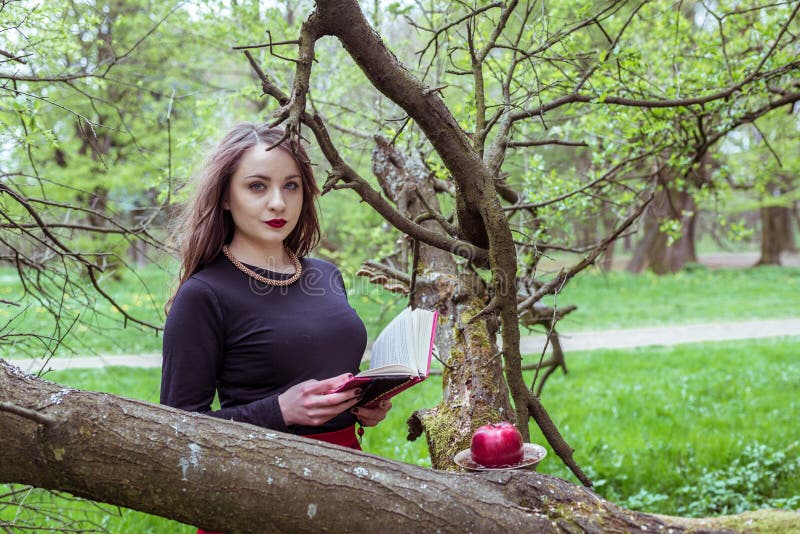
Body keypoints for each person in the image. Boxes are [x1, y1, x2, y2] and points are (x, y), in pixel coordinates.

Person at [161, 123, 391, 455]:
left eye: (291, 186)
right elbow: (177, 429)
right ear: (225, 197)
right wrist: (279, 411)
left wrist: (362, 404)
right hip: (268, 479)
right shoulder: (204, 294)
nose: (278, 203)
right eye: (257, 186)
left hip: (352, 469)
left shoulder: (326, 275)